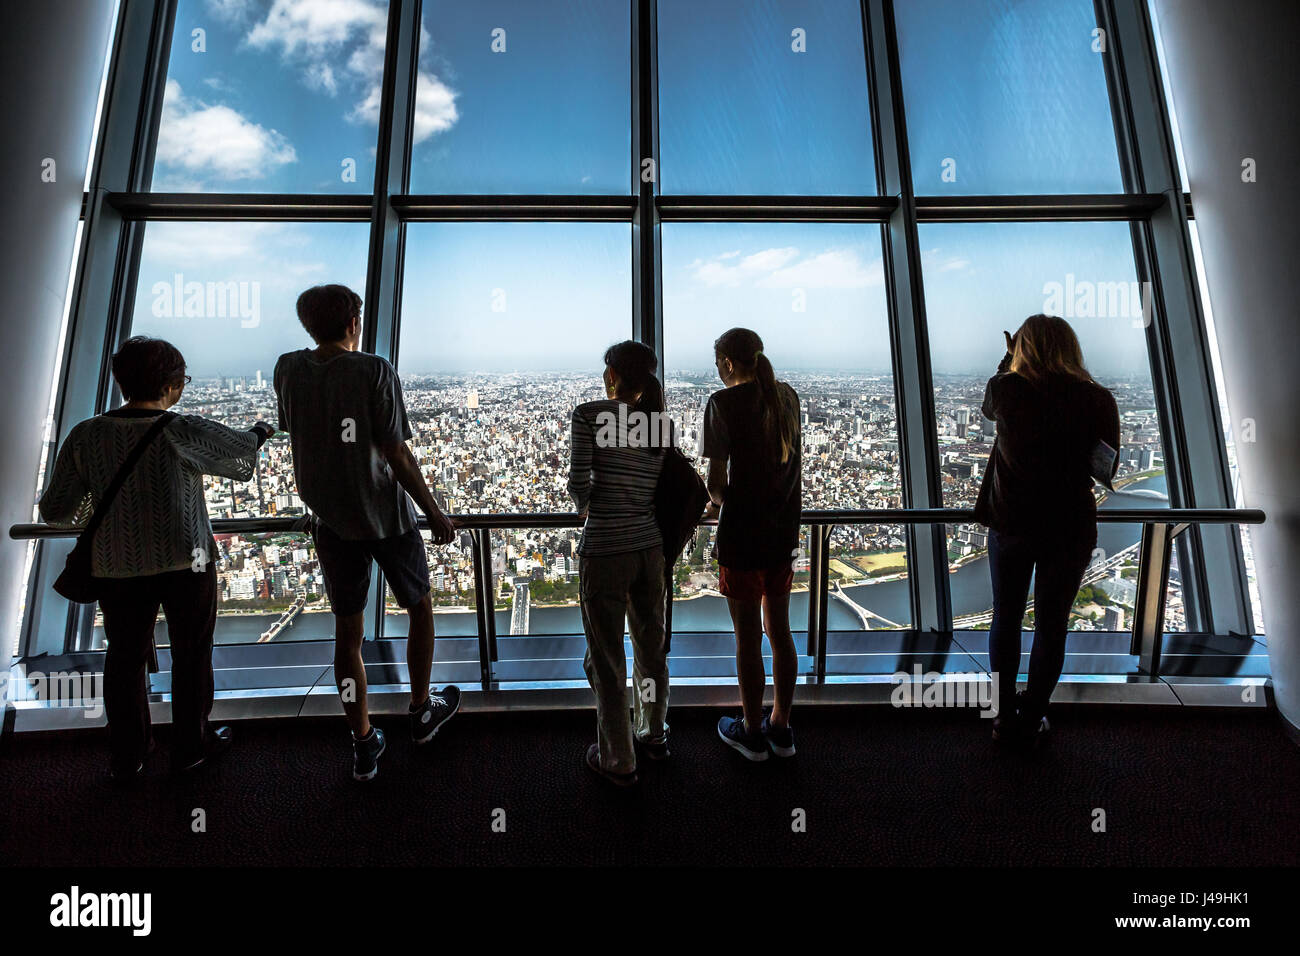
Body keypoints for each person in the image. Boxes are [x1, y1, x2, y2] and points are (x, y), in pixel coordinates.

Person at [39, 336, 274, 781]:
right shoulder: (181, 428)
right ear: (170, 385)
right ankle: (190, 747)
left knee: (124, 659)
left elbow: (54, 510)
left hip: (117, 568)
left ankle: (129, 755)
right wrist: (262, 431)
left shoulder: (86, 435)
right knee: (191, 656)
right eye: (181, 379)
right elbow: (240, 452)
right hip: (188, 564)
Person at [274, 284, 459, 782]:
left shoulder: (288, 369)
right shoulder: (374, 370)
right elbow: (396, 452)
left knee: (347, 636)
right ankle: (421, 711)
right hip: (385, 516)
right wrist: (436, 513)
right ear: (355, 320)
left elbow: (297, 431)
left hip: (330, 522)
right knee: (419, 608)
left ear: (307, 325)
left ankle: (362, 739)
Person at [975, 314, 1120, 747]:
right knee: (1052, 624)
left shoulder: (1007, 389)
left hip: (1012, 523)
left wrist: (1007, 358)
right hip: (1069, 525)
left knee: (1006, 617)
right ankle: (1034, 714)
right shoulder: (1097, 399)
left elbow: (987, 408)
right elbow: (1105, 466)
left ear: (1021, 347)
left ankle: (1002, 716)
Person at [568, 340, 672, 788]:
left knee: (607, 660)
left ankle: (618, 758)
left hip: (606, 550)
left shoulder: (589, 415)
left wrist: (586, 505)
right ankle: (652, 732)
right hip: (650, 551)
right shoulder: (659, 423)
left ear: (612, 374)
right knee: (651, 650)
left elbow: (578, 484)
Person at [702, 328, 802, 761]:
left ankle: (751, 730)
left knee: (747, 640)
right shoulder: (788, 397)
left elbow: (716, 485)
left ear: (726, 363)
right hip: (783, 536)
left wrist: (718, 503)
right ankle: (782, 727)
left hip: (742, 538)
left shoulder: (722, 404)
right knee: (780, 633)